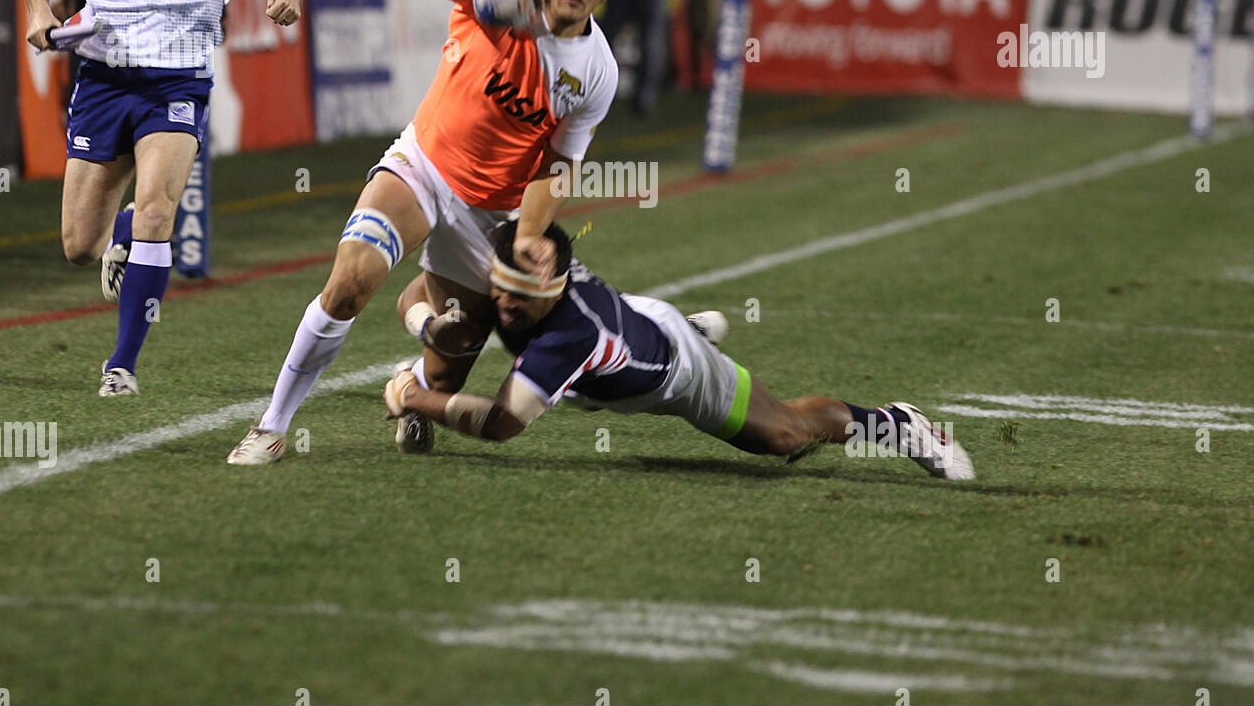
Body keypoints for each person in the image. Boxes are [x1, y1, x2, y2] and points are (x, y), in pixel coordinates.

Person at [227, 0, 628, 465]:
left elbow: (558, 165)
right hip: (424, 164)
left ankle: (414, 387)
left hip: (491, 213)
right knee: (351, 280)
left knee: (452, 349)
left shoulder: (598, 71)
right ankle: (271, 425)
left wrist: (525, 239)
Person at [17, 0, 309, 397]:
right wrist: (39, 11)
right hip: (102, 80)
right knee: (79, 246)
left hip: (177, 84)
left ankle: (120, 367)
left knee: (158, 210)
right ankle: (121, 233)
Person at [383, 220, 976, 480]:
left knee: (786, 438)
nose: (504, 307)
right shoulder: (510, 279)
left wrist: (416, 394)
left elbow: (502, 422)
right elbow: (421, 286)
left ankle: (900, 425)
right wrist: (429, 332)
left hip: (673, 374)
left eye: (520, 301)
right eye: (500, 292)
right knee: (461, 323)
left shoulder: (568, 332)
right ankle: (681, 328)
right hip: (622, 335)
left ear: (556, 291)